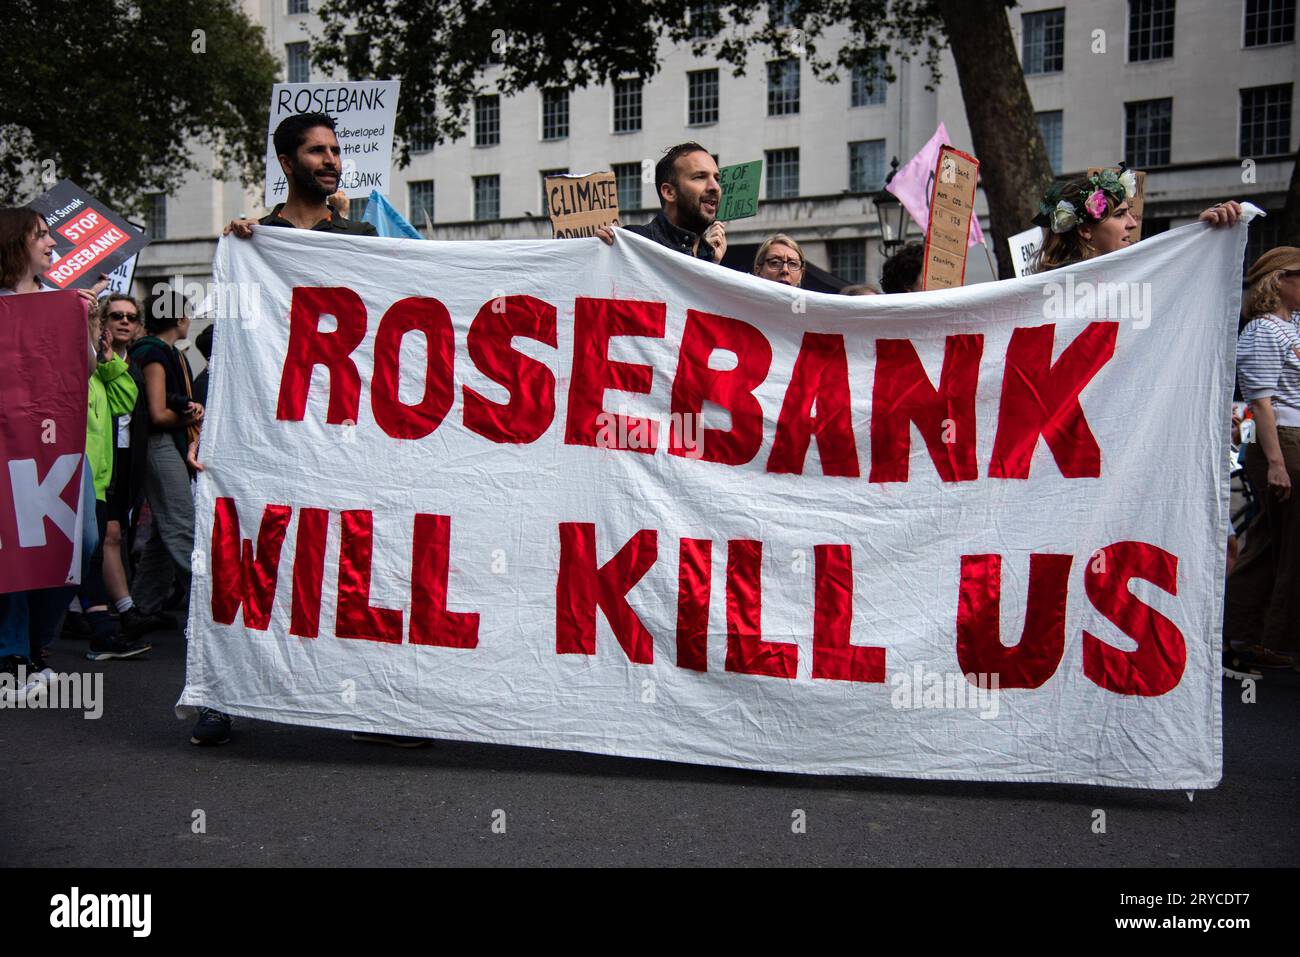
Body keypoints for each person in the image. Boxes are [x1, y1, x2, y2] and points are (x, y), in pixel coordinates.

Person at [0, 207, 109, 694]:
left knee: (79, 541)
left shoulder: (62, 300)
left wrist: (85, 325)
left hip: (60, 446)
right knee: (14, 545)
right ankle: (14, 654)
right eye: (42, 235)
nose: (52, 244)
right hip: (8, 445)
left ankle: (38, 640)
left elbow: (80, 374)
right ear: (14, 242)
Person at [1224, 246, 1300, 669]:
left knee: (1272, 542)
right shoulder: (1263, 332)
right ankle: (1275, 637)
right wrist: (1275, 463)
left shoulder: (1294, 325)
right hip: (1283, 439)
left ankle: (1243, 632)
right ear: (1279, 280)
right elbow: (1262, 401)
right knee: (1288, 542)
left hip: (1293, 435)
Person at [99, 294, 172, 640]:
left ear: (139, 325)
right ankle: (122, 610)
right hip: (102, 456)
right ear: (104, 323)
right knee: (108, 534)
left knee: (117, 534)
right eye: (116, 316)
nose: (124, 322)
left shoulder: (137, 363)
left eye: (130, 317)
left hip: (130, 459)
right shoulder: (94, 361)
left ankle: (99, 608)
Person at [1031, 167, 1242, 271]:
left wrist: (1204, 233)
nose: (1133, 223)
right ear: (1086, 230)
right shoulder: (1051, 291)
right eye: (1120, 215)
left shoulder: (1136, 275)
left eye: (1130, 214)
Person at [224, 113, 377, 239]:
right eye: (317, 150)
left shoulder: (362, 237)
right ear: (287, 164)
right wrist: (239, 240)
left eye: (335, 151)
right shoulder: (253, 236)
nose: (331, 161)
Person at [596, 142, 727, 262]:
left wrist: (713, 264)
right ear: (669, 192)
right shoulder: (632, 242)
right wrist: (598, 251)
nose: (715, 187)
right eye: (700, 177)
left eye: (717, 178)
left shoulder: (709, 255)